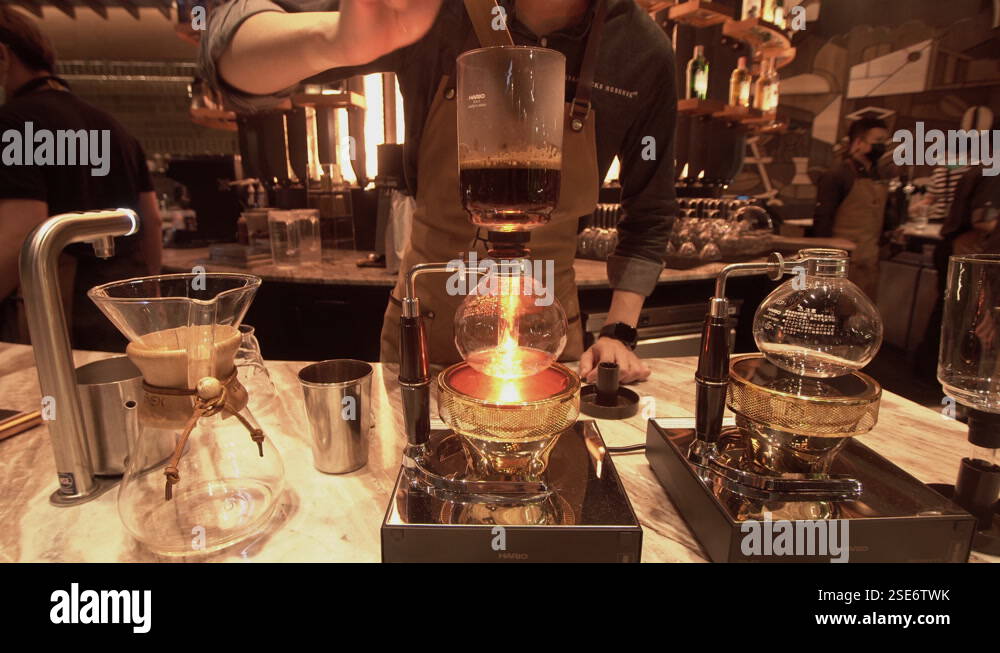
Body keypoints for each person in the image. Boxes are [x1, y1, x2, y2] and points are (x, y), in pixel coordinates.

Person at [202, 0, 676, 382]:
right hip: (426, 330)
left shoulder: (639, 51)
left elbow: (650, 213)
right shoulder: (430, 12)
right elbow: (230, 55)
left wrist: (619, 331)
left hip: (546, 335)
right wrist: (335, 39)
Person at [0, 7, 162, 350]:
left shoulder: (13, 124)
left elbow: (20, 234)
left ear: (2, 55)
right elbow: (152, 219)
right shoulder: (112, 126)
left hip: (65, 306)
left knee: (65, 400)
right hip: (128, 298)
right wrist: (152, 294)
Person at [813, 117, 891, 299]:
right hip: (842, 263)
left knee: (863, 316)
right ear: (858, 142)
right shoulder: (837, 175)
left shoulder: (879, 175)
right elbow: (823, 219)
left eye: (885, 141)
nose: (882, 146)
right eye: (878, 141)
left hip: (869, 259)